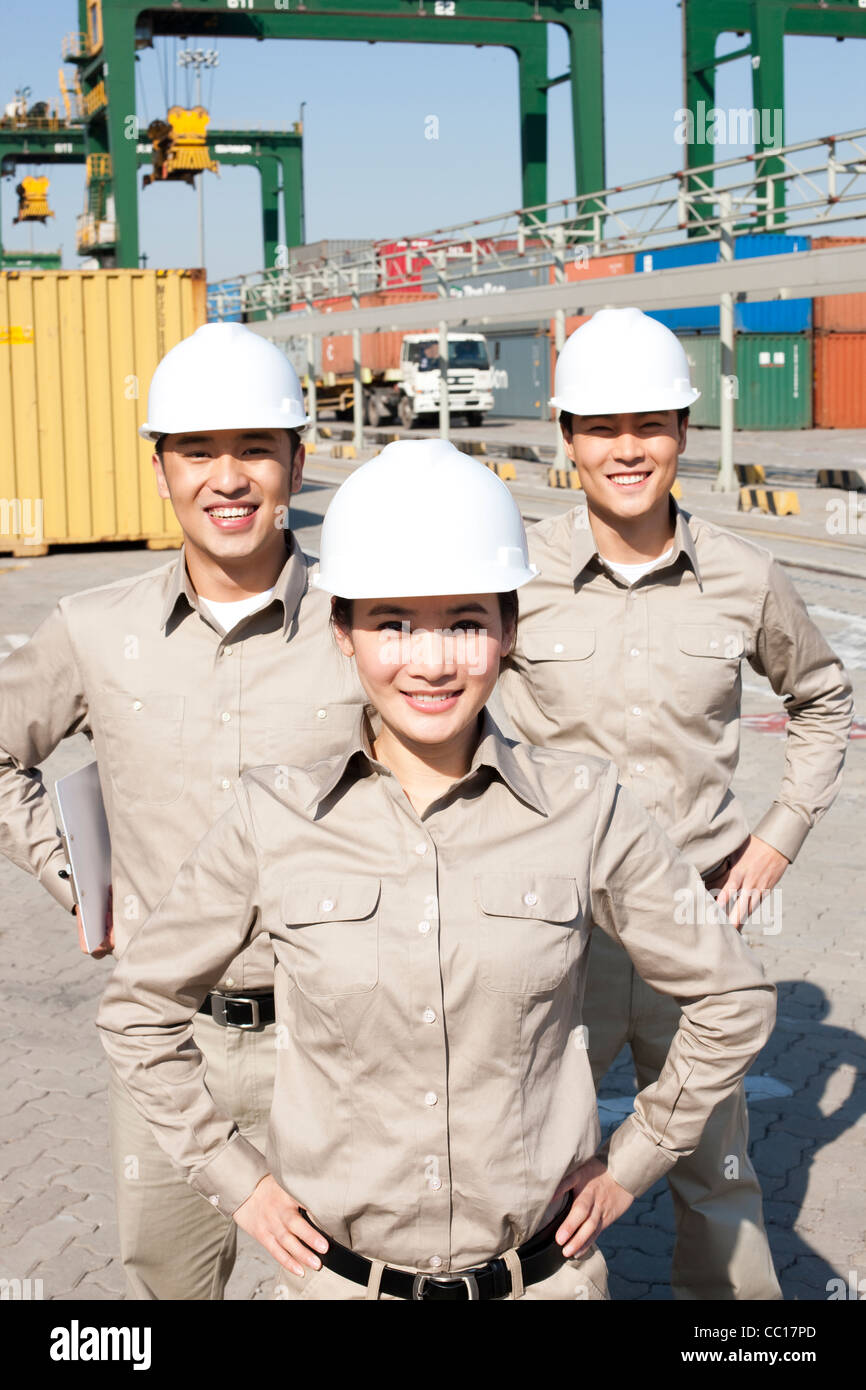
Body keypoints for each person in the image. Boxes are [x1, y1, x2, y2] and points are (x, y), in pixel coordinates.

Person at [96, 439, 775, 1302]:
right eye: (390, 623)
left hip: (541, 1284)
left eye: (463, 620)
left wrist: (630, 1166)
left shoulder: (584, 810)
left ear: (508, 630)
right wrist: (240, 1182)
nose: (430, 661)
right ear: (341, 632)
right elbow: (138, 1012)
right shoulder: (275, 818)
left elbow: (732, 998)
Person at [494, 307, 854, 1300]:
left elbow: (822, 697)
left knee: (718, 1178)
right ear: (565, 436)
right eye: (601, 427)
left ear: (681, 432)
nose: (626, 449)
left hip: (691, 926)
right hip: (547, 929)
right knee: (527, 1173)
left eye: (648, 424)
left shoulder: (741, 577)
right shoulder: (511, 579)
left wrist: (778, 838)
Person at [0, 322, 364, 1300]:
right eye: (197, 451)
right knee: (170, 1286)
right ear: (159, 466)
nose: (227, 477)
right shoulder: (95, 629)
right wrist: (80, 880)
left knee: (344, 1284)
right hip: (169, 1041)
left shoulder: (362, 620)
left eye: (254, 448)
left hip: (338, 1041)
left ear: (298, 457)